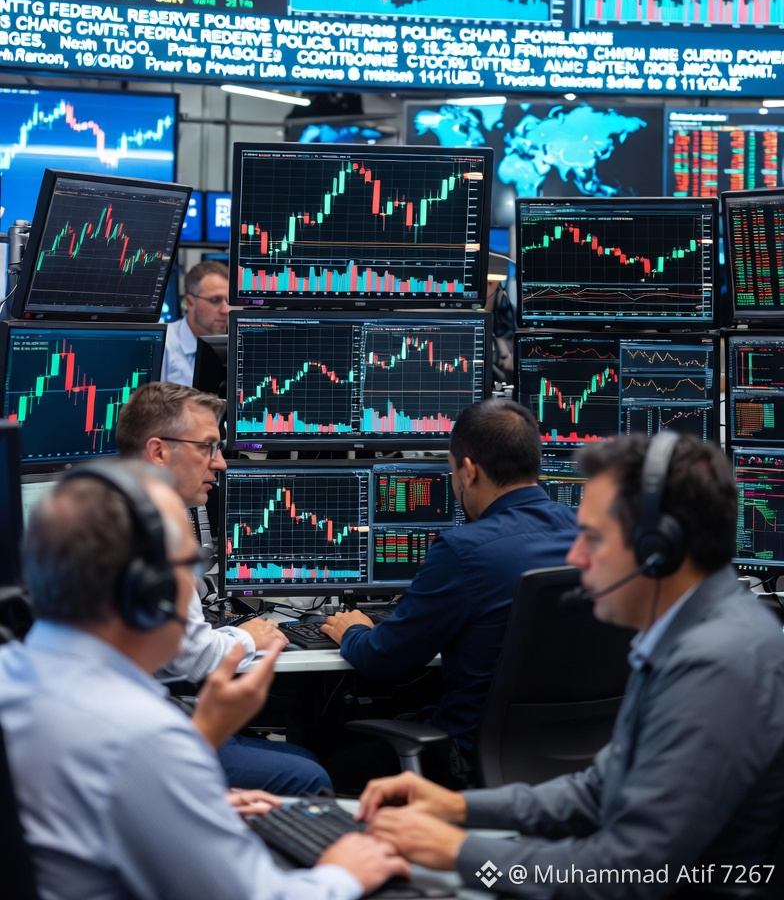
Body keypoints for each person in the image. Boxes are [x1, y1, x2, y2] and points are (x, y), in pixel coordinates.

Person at [356, 434, 784, 897]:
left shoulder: (716, 666)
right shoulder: (685, 637)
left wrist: (460, 851)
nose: (576, 557)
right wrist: (459, 807)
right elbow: (598, 791)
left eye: (593, 538)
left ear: (658, 549)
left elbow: (628, 872)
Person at [0, 461, 408, 900]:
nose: (197, 585)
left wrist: (188, 805)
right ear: (150, 590)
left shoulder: (13, 673)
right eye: (190, 564)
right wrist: (344, 872)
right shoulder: (143, 736)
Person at [320, 399, 578, 787]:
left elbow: (384, 661)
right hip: (574, 759)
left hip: (469, 761)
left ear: (469, 471)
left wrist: (354, 631)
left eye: (453, 470)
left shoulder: (465, 551)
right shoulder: (591, 534)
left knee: (325, 763)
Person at [116, 380, 332, 794]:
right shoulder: (154, 532)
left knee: (302, 758)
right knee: (307, 772)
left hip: (133, 718)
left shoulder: (120, 509)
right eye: (207, 448)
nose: (221, 464)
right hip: (142, 736)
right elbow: (193, 659)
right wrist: (248, 637)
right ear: (159, 452)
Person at [162, 260, 230, 386]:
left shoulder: (236, 346)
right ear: (190, 302)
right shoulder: (165, 345)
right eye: (215, 300)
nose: (226, 310)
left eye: (229, 301)